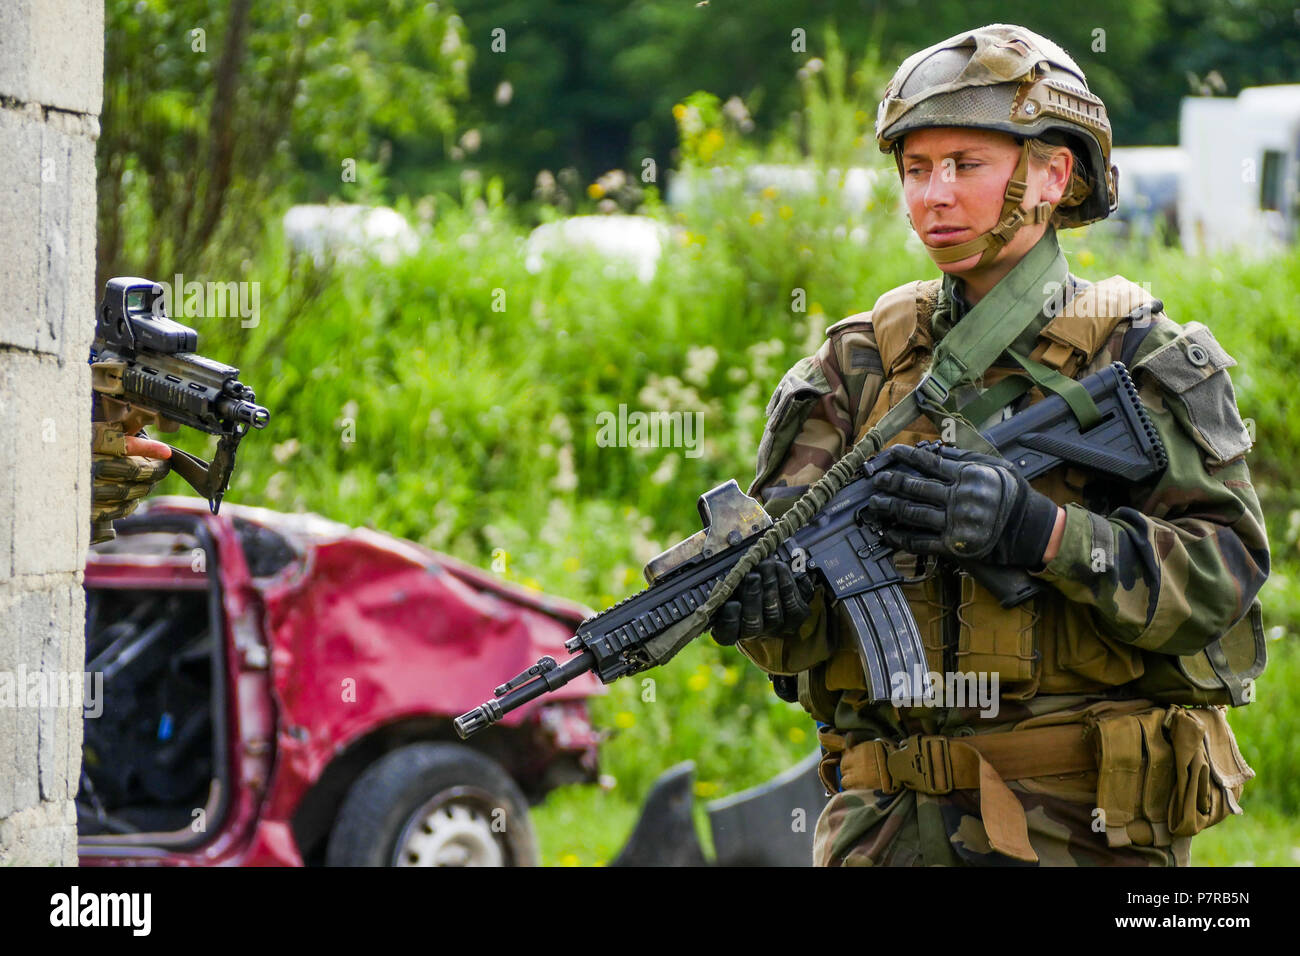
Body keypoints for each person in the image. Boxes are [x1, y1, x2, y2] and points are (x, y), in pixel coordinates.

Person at [710, 23, 1269, 866]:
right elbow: (806, 627)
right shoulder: (855, 366)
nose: (932, 194)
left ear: (1053, 173)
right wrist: (772, 617)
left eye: (964, 165)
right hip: (884, 827)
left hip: (1081, 829)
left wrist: (1037, 533)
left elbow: (1221, 581)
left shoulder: (1143, 359)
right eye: (915, 167)